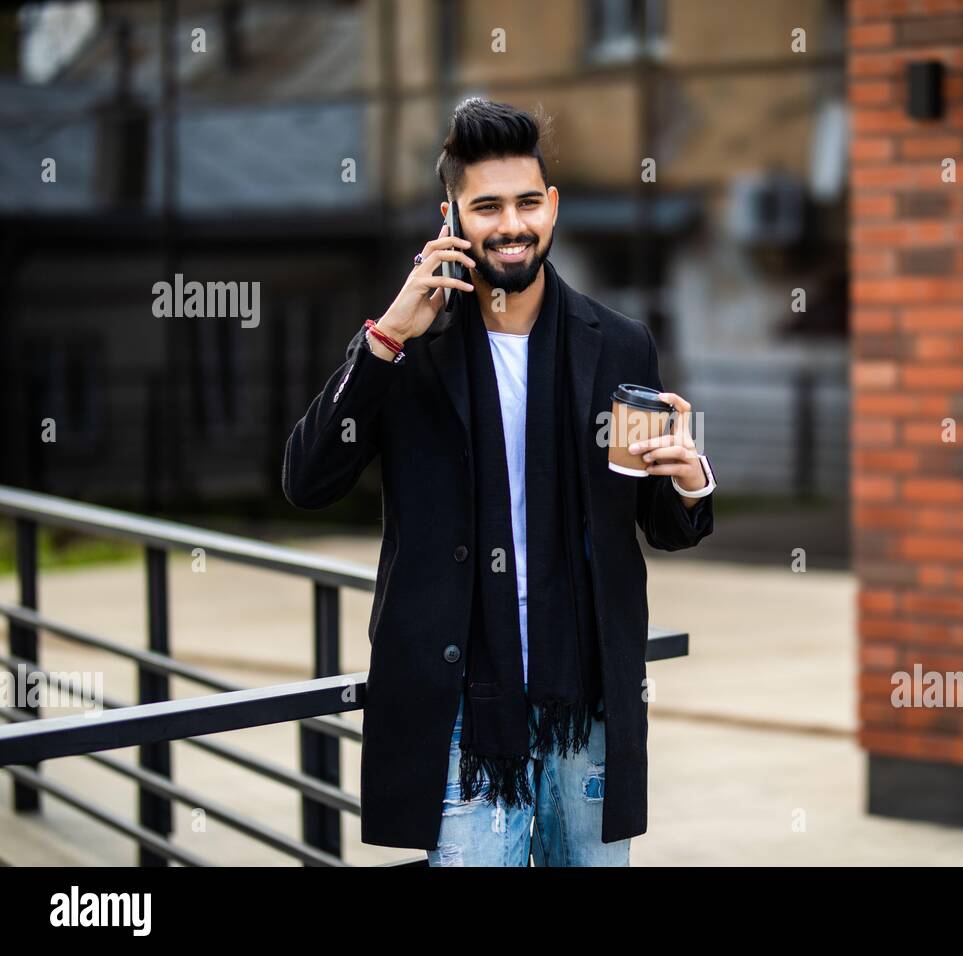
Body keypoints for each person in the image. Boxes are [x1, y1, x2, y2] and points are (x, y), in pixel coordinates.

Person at [281, 97, 716, 866]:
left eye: (525, 203)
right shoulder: (411, 344)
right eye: (486, 206)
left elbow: (662, 525)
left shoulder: (617, 346)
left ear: (551, 208)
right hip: (460, 717)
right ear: (451, 215)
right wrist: (385, 339)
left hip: (587, 712)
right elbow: (308, 481)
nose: (509, 224)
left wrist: (689, 484)